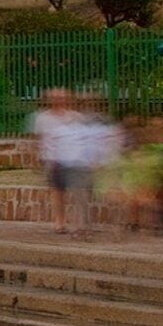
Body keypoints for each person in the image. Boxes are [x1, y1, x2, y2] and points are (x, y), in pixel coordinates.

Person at [28, 88, 101, 231]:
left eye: (62, 97)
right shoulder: (42, 118)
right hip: (53, 159)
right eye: (56, 98)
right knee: (58, 191)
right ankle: (59, 222)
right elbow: (37, 139)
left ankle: (80, 222)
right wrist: (37, 157)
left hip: (74, 158)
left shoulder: (76, 117)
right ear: (49, 100)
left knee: (80, 190)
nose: (59, 100)